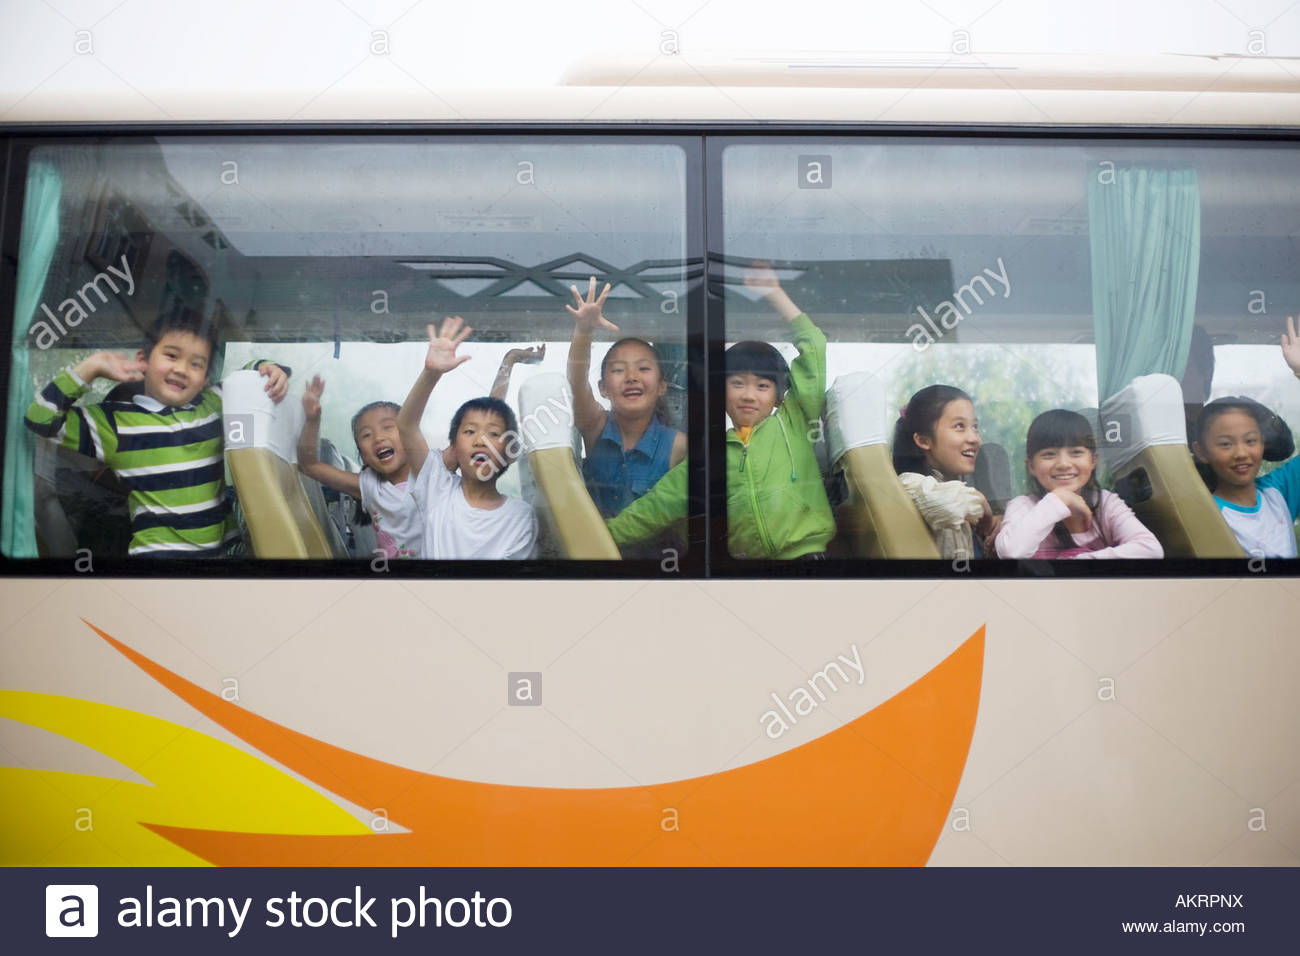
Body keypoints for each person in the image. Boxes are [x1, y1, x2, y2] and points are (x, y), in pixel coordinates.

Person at [605, 266, 835, 560]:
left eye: (762, 386)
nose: (749, 394)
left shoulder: (795, 421)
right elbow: (658, 506)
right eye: (737, 383)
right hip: (747, 574)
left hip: (806, 562)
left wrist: (775, 293)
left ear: (778, 396)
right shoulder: (711, 456)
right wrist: (599, 536)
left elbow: (814, 347)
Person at [24, 312, 289, 557]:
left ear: (205, 378)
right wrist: (92, 367)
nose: (182, 369)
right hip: (160, 562)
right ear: (144, 360)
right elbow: (40, 417)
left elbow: (248, 378)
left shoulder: (213, 404)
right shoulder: (115, 422)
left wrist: (269, 367)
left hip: (224, 555)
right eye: (172, 356)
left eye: (196, 364)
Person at [396, 316, 537, 560]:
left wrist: (508, 362)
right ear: (454, 448)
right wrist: (431, 374)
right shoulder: (437, 489)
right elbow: (406, 426)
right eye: (469, 432)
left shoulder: (521, 516)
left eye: (493, 435)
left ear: (511, 453)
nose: (480, 441)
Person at [566, 276, 686, 518]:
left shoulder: (679, 445)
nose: (631, 377)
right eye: (618, 370)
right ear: (603, 388)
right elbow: (577, 383)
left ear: (662, 386)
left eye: (643, 369)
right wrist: (584, 331)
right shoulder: (595, 427)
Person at [1189, 315, 1300, 558]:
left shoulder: (1277, 494)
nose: (1242, 453)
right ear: (1201, 451)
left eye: (1251, 441)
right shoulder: (1205, 515)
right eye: (1226, 444)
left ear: (1263, 444)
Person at [995, 409, 1163, 559]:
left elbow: (1151, 549)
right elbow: (1010, 552)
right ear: (1031, 466)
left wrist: (1078, 562)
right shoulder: (1022, 506)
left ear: (1093, 460)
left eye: (1076, 452)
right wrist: (1059, 498)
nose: (1063, 464)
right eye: (1049, 454)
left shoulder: (1106, 503)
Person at [296, 378, 420, 559]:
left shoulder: (433, 474)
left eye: (388, 427)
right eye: (366, 435)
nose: (378, 438)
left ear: (411, 434)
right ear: (362, 454)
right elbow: (309, 465)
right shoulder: (368, 486)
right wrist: (312, 420)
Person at [892, 385, 999, 559]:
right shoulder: (909, 485)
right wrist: (984, 512)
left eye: (975, 426)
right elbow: (951, 505)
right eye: (959, 426)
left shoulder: (955, 489)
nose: (974, 438)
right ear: (924, 440)